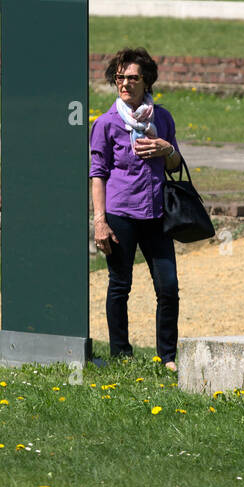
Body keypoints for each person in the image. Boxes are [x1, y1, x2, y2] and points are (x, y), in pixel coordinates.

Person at [89, 47, 182, 371]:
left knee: (168, 287)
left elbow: (175, 165)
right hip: (120, 214)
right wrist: (100, 221)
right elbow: (97, 175)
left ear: (147, 81)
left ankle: (167, 357)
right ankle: (121, 355)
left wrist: (166, 148)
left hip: (156, 213)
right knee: (119, 285)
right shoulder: (106, 123)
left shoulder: (163, 118)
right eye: (120, 77)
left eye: (132, 78)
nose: (124, 83)